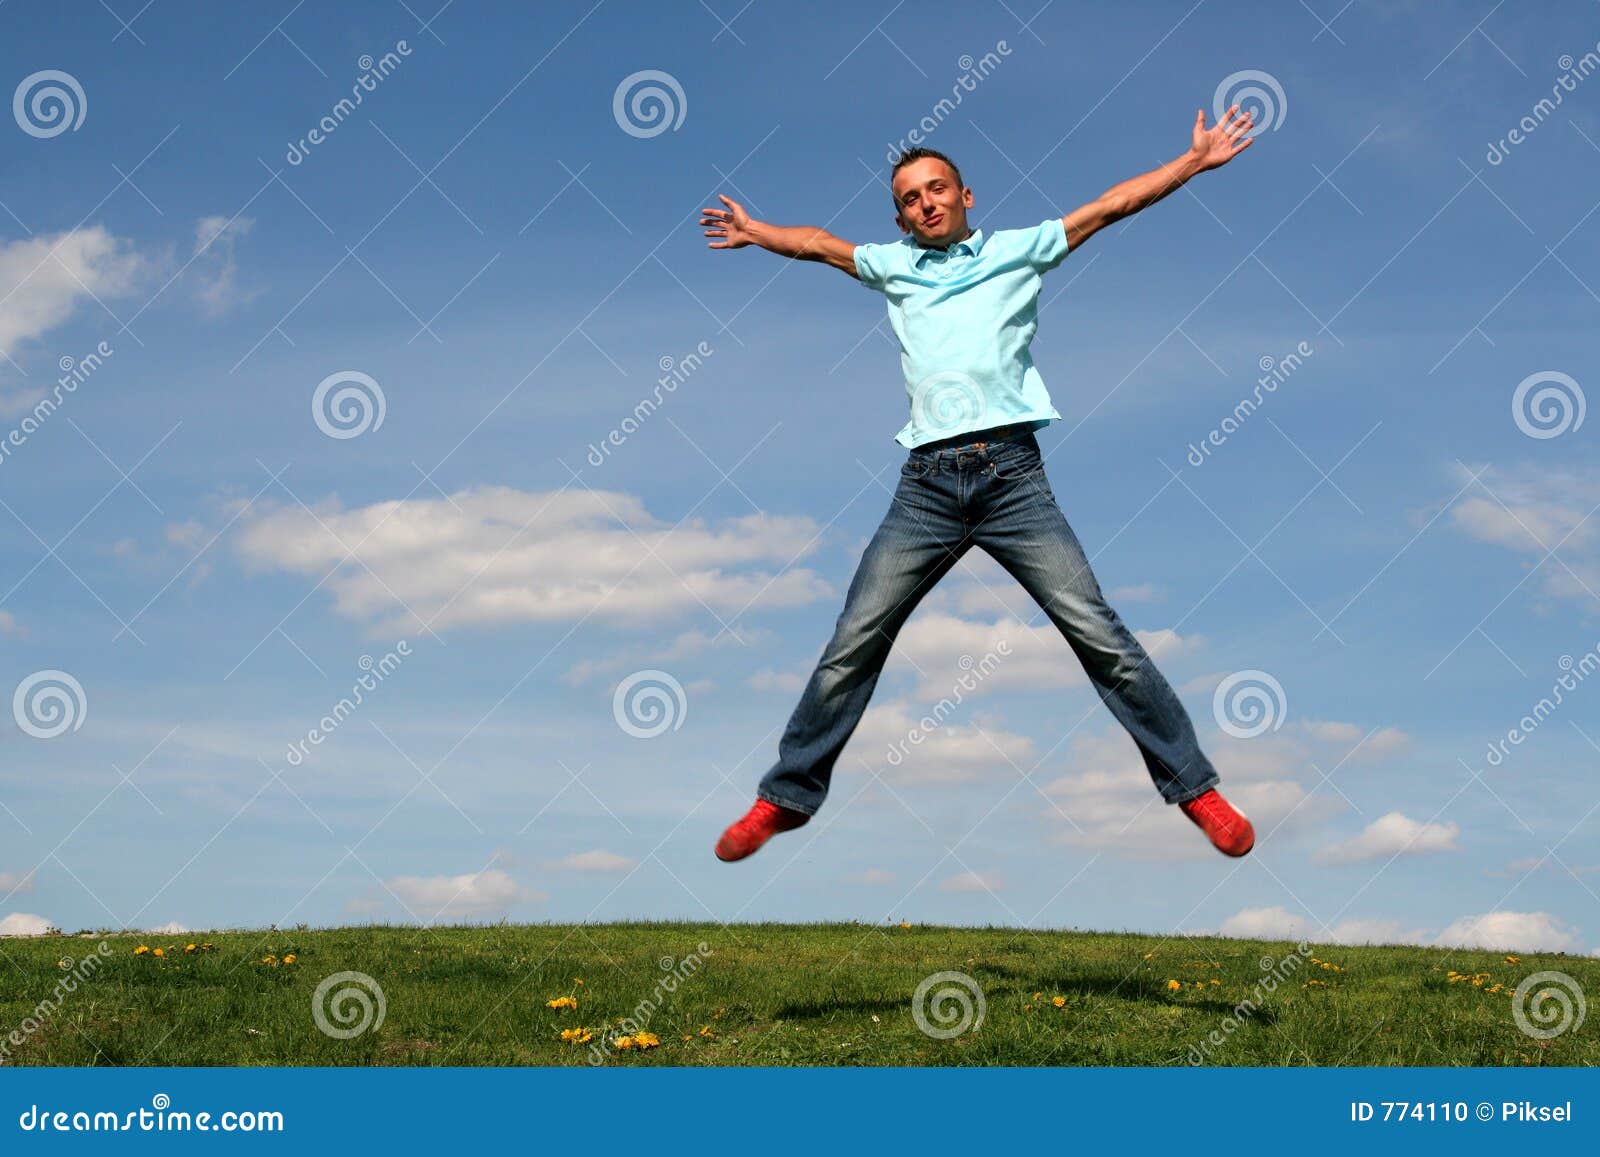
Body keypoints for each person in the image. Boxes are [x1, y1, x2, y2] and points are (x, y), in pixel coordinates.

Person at [702, 106, 1260, 863]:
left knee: (1100, 635)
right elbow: (817, 245)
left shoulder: (1018, 250)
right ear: (899, 216)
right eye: (909, 197)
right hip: (925, 486)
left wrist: (1190, 163)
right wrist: (755, 230)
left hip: (1012, 479)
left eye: (937, 189)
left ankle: (1195, 787)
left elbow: (1110, 204)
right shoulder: (895, 266)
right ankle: (786, 798)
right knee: (852, 641)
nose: (925, 202)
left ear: (968, 196)